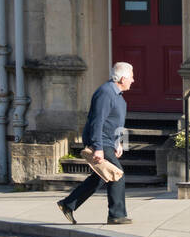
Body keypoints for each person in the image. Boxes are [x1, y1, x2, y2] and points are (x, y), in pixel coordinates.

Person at [57, 62, 134, 225]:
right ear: (122, 78)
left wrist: (119, 143)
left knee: (102, 176)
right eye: (131, 77)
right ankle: (116, 215)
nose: (133, 80)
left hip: (108, 141)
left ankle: (68, 204)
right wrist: (97, 148)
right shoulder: (105, 93)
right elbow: (97, 122)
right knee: (117, 173)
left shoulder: (119, 96)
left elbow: (117, 122)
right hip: (100, 140)